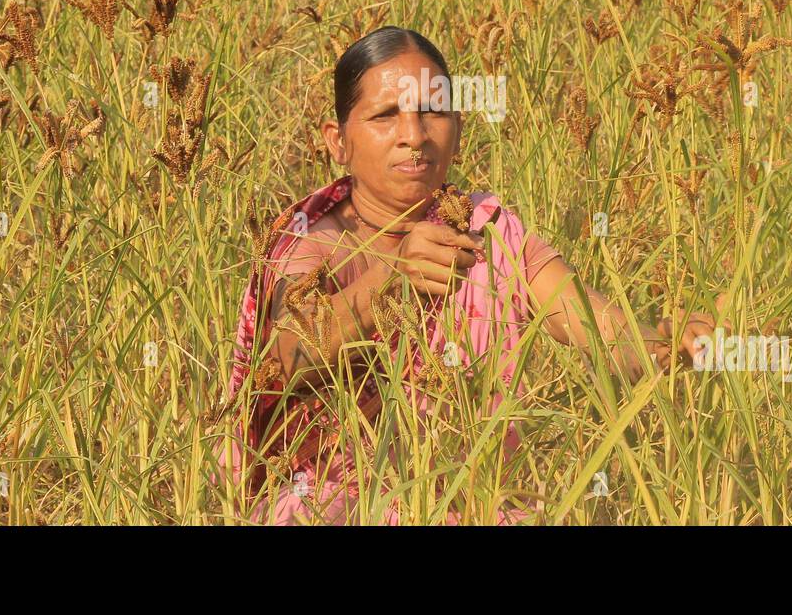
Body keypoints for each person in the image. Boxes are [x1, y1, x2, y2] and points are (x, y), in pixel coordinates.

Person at [215, 26, 720, 524]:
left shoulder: (488, 233)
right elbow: (282, 361)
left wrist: (672, 346)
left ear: (457, 126)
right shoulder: (314, 241)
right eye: (386, 115)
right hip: (332, 506)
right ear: (338, 141)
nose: (413, 136)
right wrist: (392, 280)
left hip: (473, 503)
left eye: (432, 112)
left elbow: (597, 327)